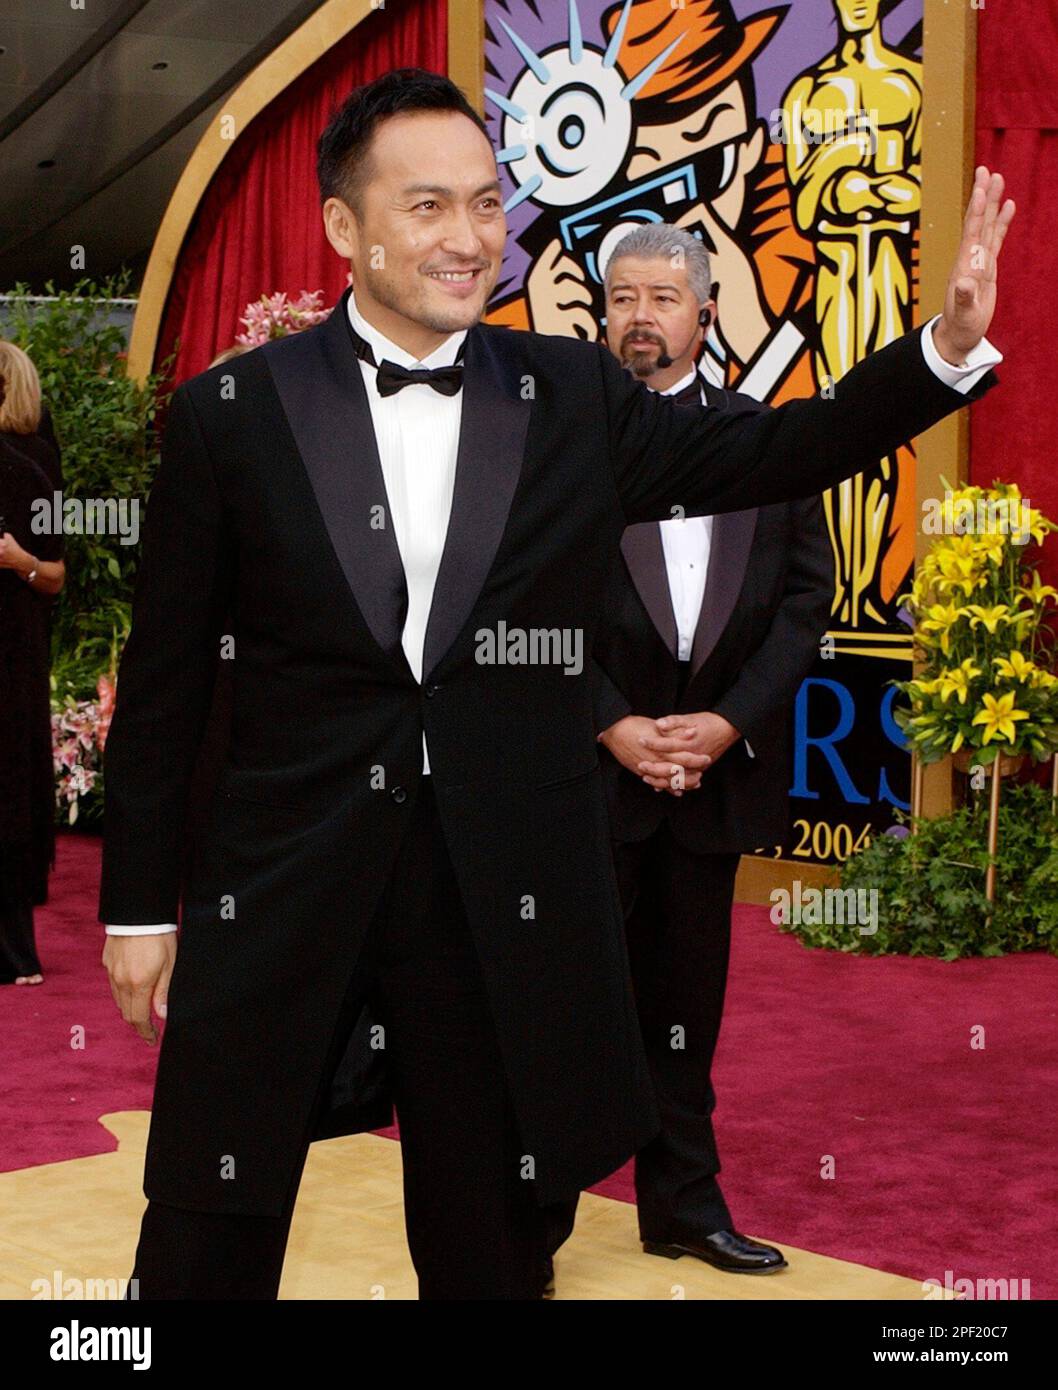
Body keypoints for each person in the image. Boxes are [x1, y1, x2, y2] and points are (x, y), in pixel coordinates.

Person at [98, 67, 1010, 1300]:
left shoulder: (568, 397)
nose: (468, 238)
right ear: (342, 228)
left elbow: (774, 447)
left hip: (498, 893)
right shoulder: (230, 414)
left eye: (486, 205)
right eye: (427, 207)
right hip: (284, 878)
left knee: (492, 1242)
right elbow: (165, 687)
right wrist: (141, 905)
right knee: (209, 1226)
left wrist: (944, 350)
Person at [546, 223, 833, 1277]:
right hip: (589, 775)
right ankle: (535, 1224)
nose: (638, 317)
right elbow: (515, 605)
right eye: (621, 297)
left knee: (683, 1012)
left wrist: (726, 724)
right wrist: (610, 722)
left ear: (704, 314)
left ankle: (681, 1205)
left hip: (711, 783)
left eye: (661, 298)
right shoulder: (557, 445)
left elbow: (806, 601)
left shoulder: (761, 441)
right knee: (570, 1008)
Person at [0, 345, 66, 986]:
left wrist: (17, 558)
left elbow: (54, 574)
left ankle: (16, 945)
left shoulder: (37, 464)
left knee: (13, 780)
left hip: (15, 648)